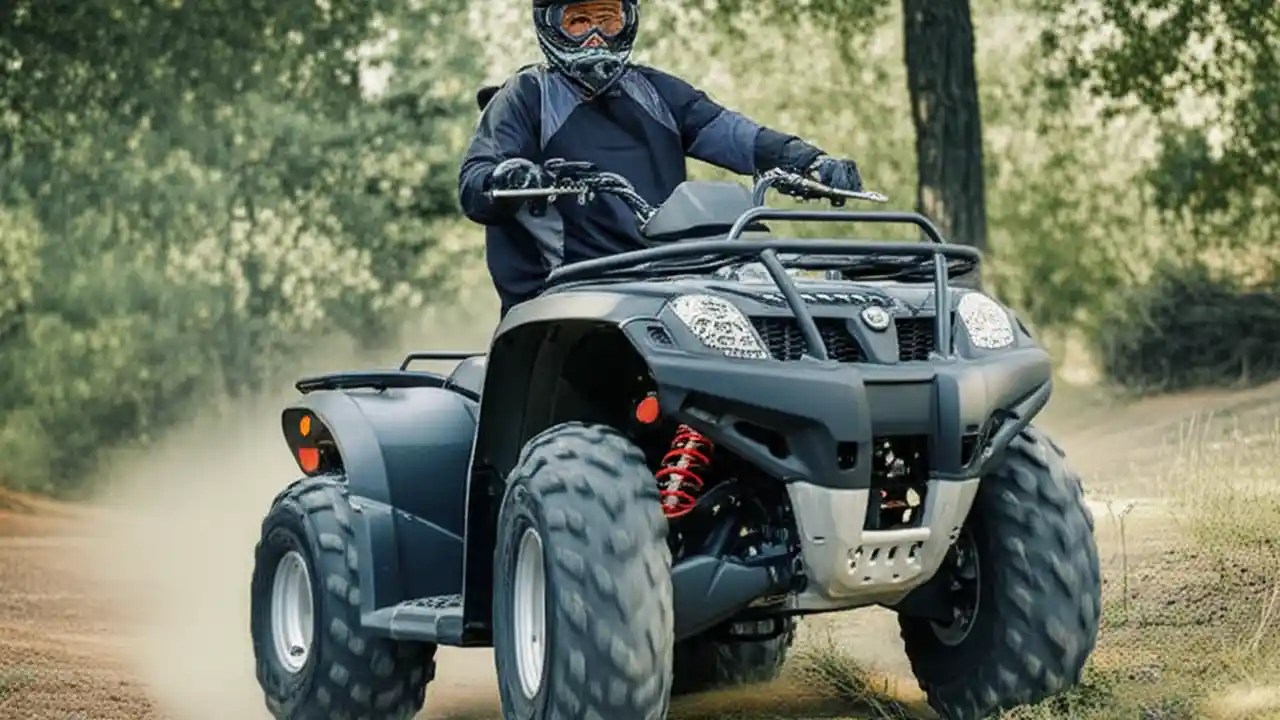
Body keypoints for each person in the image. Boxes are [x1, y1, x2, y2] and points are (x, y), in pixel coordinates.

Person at [458, 0, 866, 317]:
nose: (596, 37)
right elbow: (476, 180)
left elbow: (737, 136)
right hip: (564, 295)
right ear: (551, 26)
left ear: (629, 20)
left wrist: (810, 162)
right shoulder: (527, 95)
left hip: (666, 282)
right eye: (579, 22)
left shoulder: (655, 91)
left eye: (608, 18)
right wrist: (507, 178)